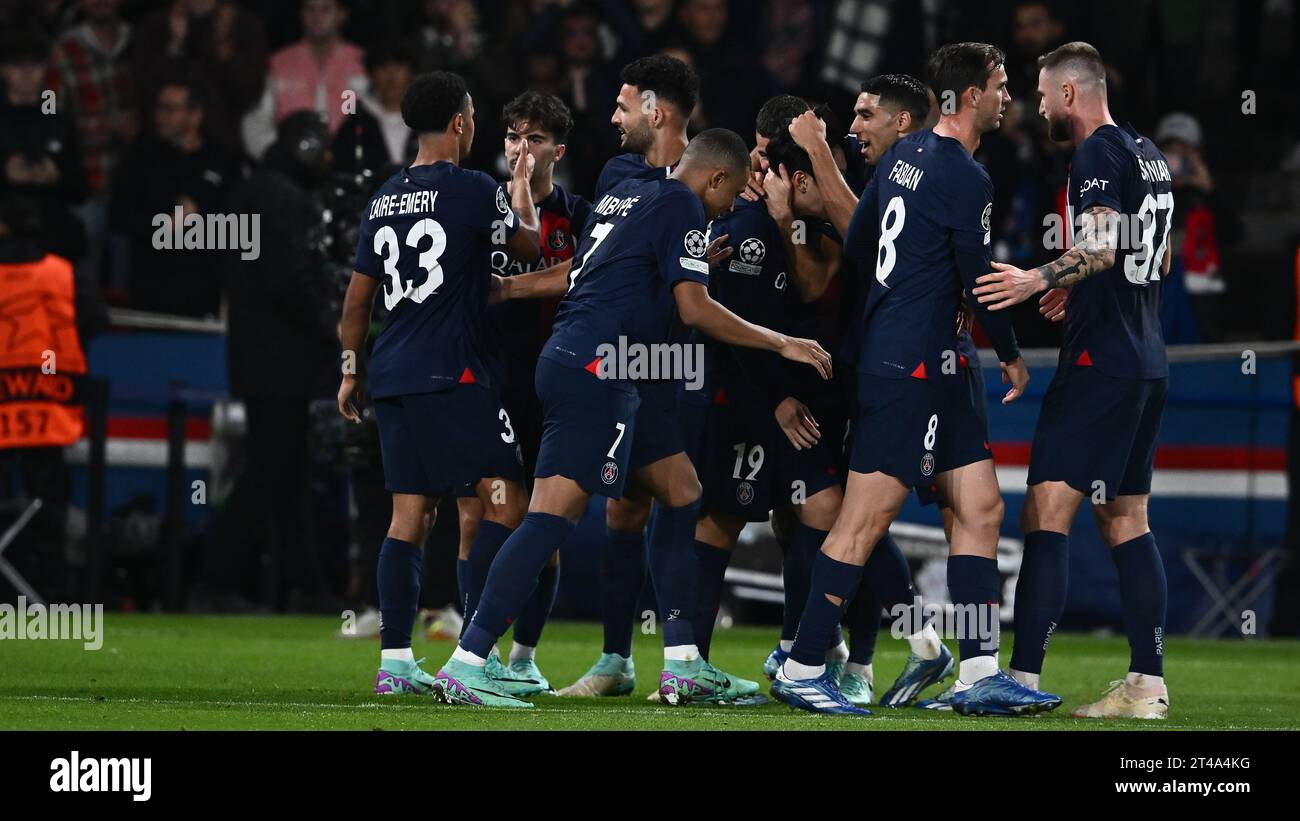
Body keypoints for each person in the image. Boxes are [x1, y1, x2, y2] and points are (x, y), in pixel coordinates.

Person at [430, 128, 832, 708]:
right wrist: (781, 342)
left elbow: (601, 272)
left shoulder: (634, 192)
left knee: (681, 490)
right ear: (717, 178)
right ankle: (469, 660)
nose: (728, 208)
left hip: (598, 363)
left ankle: (684, 662)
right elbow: (693, 308)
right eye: (732, 193)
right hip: (597, 370)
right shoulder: (686, 207)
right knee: (550, 517)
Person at [771, 42, 1058, 717]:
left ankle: (978, 671)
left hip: (930, 361)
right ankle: (805, 664)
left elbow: (865, 242)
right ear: (965, 98)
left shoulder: (902, 159)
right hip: (914, 365)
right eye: (1000, 84)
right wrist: (1011, 352)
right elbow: (979, 277)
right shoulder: (966, 176)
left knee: (981, 507)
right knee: (865, 517)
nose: (1008, 96)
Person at [972, 41, 1175, 720]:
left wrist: (1037, 278)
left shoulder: (1094, 153)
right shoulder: (1149, 153)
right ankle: (1146, 683)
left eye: (1039, 92)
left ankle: (1022, 678)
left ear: (1069, 94)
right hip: (1147, 358)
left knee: (1046, 509)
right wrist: (1086, 292)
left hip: (1100, 363)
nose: (1035, 105)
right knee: (1125, 517)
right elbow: (1157, 254)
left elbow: (1101, 247)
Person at [337, 71, 541, 696]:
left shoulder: (383, 197)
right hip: (453, 372)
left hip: (392, 376)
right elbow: (529, 243)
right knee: (510, 502)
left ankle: (396, 661)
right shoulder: (476, 191)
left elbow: (355, 303)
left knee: (409, 517)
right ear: (460, 122)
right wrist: (524, 187)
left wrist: (350, 369)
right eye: (474, 115)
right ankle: (473, 656)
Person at [779, 75, 956, 707]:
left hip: (867, 376)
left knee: (848, 519)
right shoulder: (889, 176)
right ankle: (905, 648)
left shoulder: (906, 179)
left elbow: (858, 248)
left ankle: (833, 659)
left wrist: (815, 163)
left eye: (865, 116)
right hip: (847, 374)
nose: (854, 128)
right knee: (846, 520)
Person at [558, 54, 698, 698]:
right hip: (615, 362)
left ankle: (664, 658)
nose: (612, 117)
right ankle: (632, 659)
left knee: (654, 499)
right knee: (631, 508)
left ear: (656, 111)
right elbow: (587, 270)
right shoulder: (618, 172)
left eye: (622, 105)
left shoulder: (704, 182)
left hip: (668, 367)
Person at [452, 90, 593, 697]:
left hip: (548, 381)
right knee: (477, 514)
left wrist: (516, 288)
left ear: (557, 150)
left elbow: (581, 275)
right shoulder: (477, 203)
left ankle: (523, 658)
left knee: (545, 519)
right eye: (512, 136)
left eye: (534, 139)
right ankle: (473, 650)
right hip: (483, 376)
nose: (520, 148)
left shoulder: (581, 213)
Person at [192, 111, 340, 614]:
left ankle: (303, 585)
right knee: (267, 470)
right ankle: (215, 581)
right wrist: (333, 323)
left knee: (285, 471)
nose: (327, 161)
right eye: (322, 150)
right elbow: (291, 279)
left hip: (256, 355)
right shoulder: (288, 200)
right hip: (284, 360)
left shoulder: (248, 191)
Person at [109, 76, 243, 316]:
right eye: (159, 108)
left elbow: (241, 226)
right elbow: (118, 215)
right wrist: (164, 225)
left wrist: (199, 219)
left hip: (205, 286)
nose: (161, 116)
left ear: (196, 115)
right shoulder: (141, 157)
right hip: (151, 283)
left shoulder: (223, 160)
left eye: (170, 109)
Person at [242, 0, 366, 159]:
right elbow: (257, 119)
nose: (317, 16)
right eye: (310, 9)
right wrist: (277, 155)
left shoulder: (361, 62)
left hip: (347, 161)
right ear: (301, 14)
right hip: (291, 164)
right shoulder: (280, 63)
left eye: (326, 10)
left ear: (342, 14)